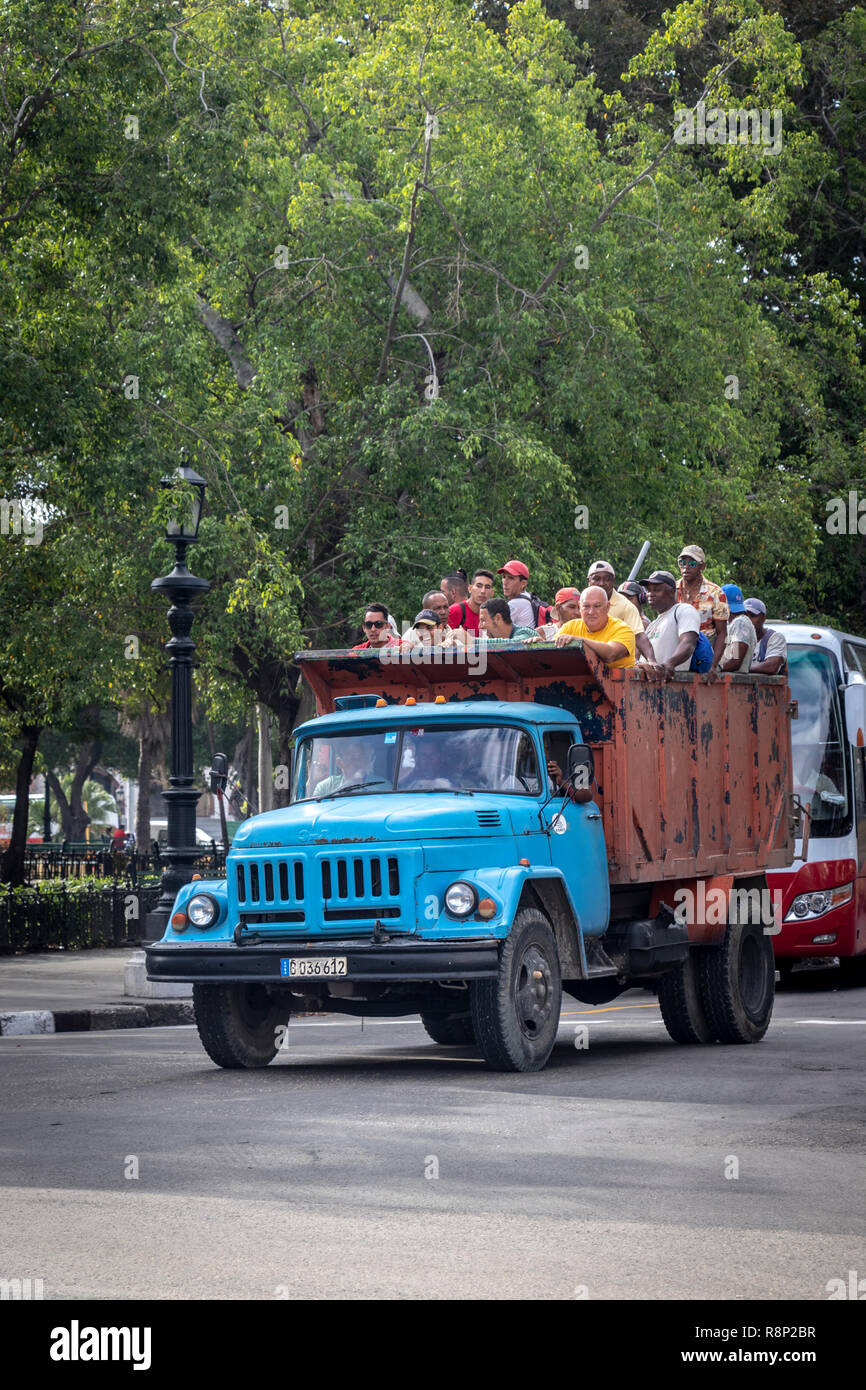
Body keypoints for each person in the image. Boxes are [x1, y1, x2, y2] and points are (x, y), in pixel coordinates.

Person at [586, 561, 654, 661]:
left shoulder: (626, 606)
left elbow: (639, 636)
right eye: (596, 579)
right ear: (588, 581)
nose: (601, 583)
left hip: (616, 663)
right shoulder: (581, 603)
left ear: (613, 581)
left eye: (607, 579)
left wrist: (651, 660)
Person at [638, 571, 700, 678]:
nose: (651, 594)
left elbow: (689, 642)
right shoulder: (652, 624)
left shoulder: (683, 610)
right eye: (648, 590)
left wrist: (670, 663)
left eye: (657, 590)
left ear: (671, 592)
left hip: (673, 685)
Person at [675, 545, 728, 668]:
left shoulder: (715, 593)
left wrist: (713, 666)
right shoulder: (672, 589)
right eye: (682, 563)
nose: (686, 567)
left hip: (702, 652)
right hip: (676, 650)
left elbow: (722, 634)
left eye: (692, 564)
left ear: (702, 566)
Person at [554, 587, 636, 667]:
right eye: (586, 606)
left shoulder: (622, 629)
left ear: (607, 607)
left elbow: (610, 654)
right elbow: (552, 652)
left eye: (597, 606)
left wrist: (579, 641)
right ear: (580, 607)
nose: (591, 612)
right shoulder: (570, 627)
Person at [496, 560, 552, 629]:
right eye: (504, 577)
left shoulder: (516, 603)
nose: (505, 582)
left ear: (523, 583)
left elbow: (496, 630)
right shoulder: (529, 597)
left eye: (511, 578)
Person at [313, 741, 381, 798]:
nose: (357, 762)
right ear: (339, 763)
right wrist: (351, 783)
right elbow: (315, 806)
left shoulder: (382, 785)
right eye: (351, 758)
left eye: (360, 757)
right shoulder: (325, 787)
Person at [718, 584, 756, 672]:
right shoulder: (733, 623)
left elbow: (735, 661)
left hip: (732, 681)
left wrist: (715, 669)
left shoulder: (740, 623)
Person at [744, 598, 787, 675]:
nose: (748, 620)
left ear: (763, 618)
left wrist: (741, 668)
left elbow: (771, 666)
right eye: (745, 616)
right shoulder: (736, 639)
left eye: (753, 615)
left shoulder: (774, 638)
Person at [447, 569, 494, 637]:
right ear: (470, 588)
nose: (483, 591)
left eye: (487, 587)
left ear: (492, 592)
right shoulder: (454, 611)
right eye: (479, 586)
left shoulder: (493, 616)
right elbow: (440, 642)